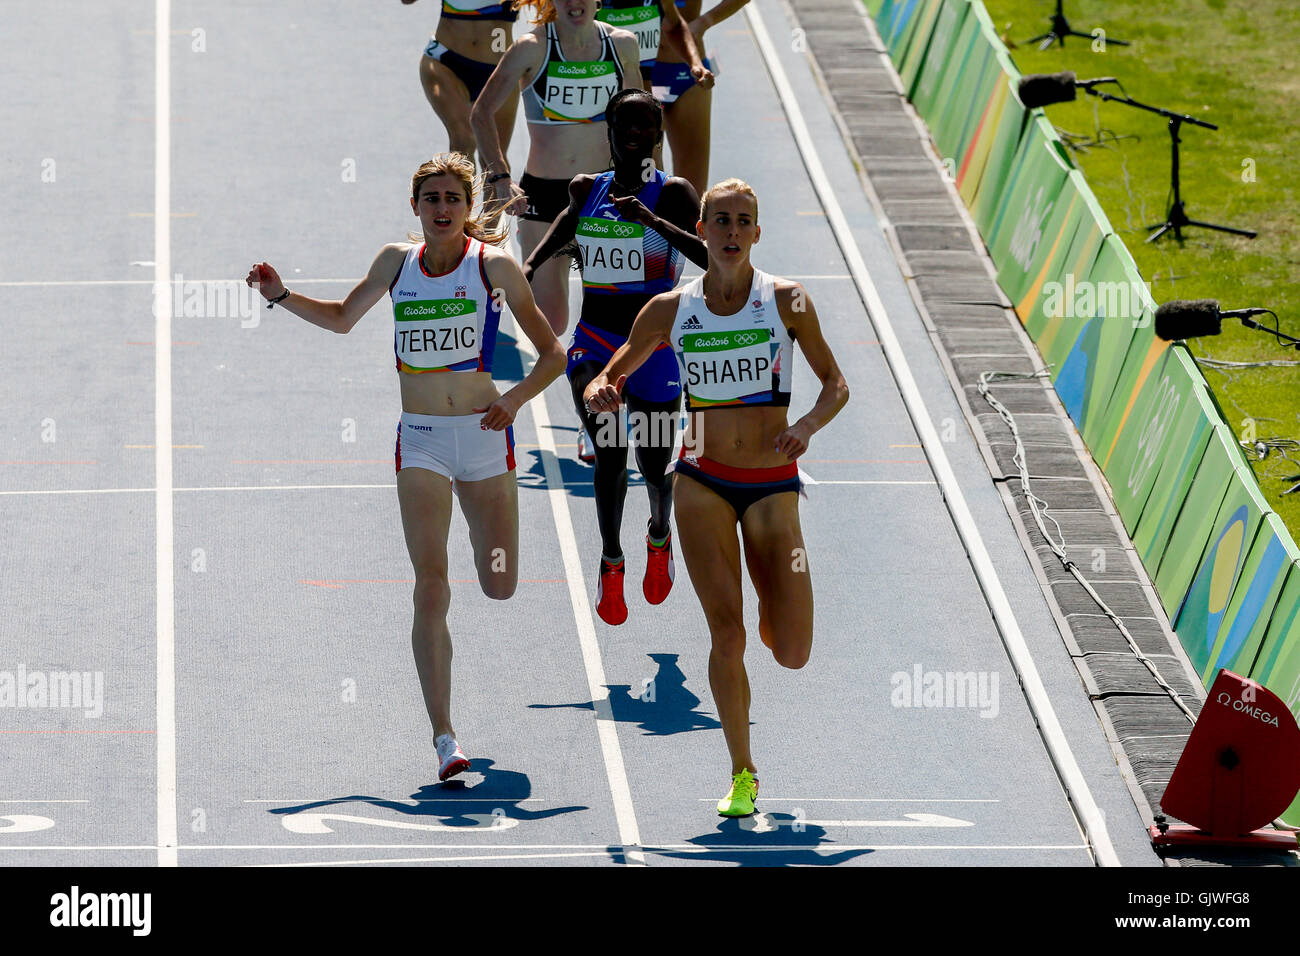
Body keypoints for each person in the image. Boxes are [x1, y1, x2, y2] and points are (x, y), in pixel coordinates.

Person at [245, 153, 566, 782]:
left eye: (452, 199)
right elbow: (341, 319)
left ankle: (488, 572)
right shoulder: (396, 263)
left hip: (483, 438)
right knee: (431, 582)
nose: (442, 210)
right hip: (419, 440)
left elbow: (554, 355)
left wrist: (512, 400)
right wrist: (280, 295)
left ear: (469, 208)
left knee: (498, 583)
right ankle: (444, 736)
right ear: (415, 207)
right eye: (431, 200)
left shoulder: (493, 266)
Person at [583, 179, 849, 815]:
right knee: (725, 637)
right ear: (701, 231)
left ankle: (769, 600)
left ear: (757, 233)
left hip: (773, 485)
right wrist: (602, 388)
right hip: (701, 478)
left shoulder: (787, 301)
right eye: (721, 220)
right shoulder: (671, 309)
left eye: (743, 221)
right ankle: (742, 771)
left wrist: (806, 427)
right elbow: (613, 369)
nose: (731, 231)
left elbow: (836, 384)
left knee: (791, 650)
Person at [523, 89, 707, 625]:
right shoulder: (588, 188)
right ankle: (610, 561)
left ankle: (657, 533)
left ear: (658, 135)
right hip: (596, 341)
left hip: (653, 345)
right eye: (624, 123)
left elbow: (707, 254)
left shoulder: (672, 193)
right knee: (610, 449)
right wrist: (531, 265)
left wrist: (651, 222)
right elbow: (567, 220)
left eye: (645, 125)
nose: (634, 133)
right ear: (608, 129)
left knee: (653, 465)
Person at [651, 0, 750, 196]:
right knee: (647, 184)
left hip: (689, 74)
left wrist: (704, 22)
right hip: (644, 75)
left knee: (692, 193)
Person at [403, 0, 521, 164]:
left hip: (498, 70)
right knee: (464, 140)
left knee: (494, 159)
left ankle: (495, 188)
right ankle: (459, 189)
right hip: (445, 61)